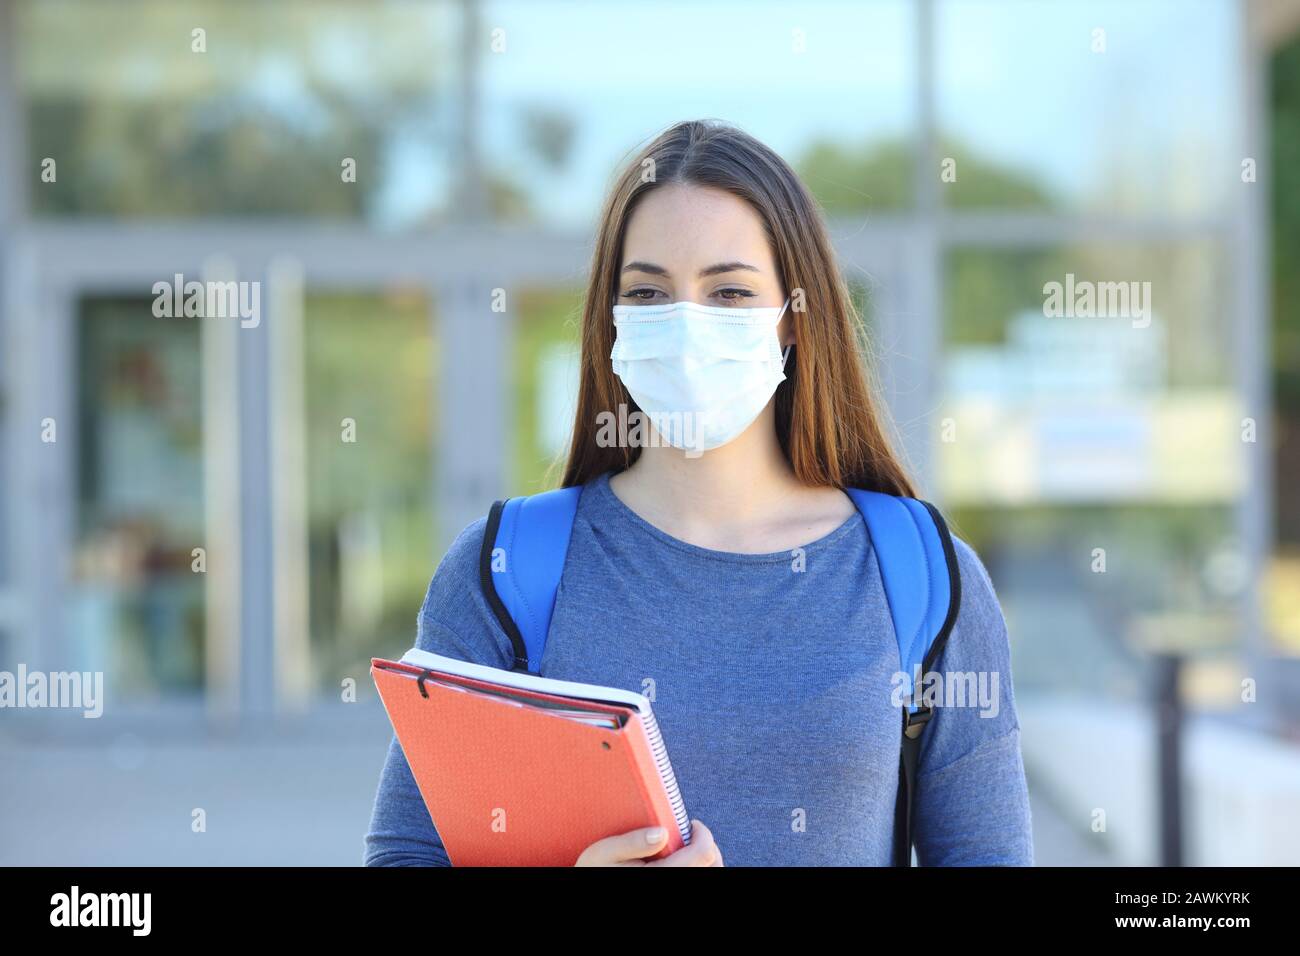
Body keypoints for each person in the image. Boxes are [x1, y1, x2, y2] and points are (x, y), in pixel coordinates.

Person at [364, 118, 1033, 866]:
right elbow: (405, 854)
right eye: (648, 291)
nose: (687, 327)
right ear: (611, 322)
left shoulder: (925, 577)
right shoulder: (503, 572)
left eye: (730, 292)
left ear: (793, 320)